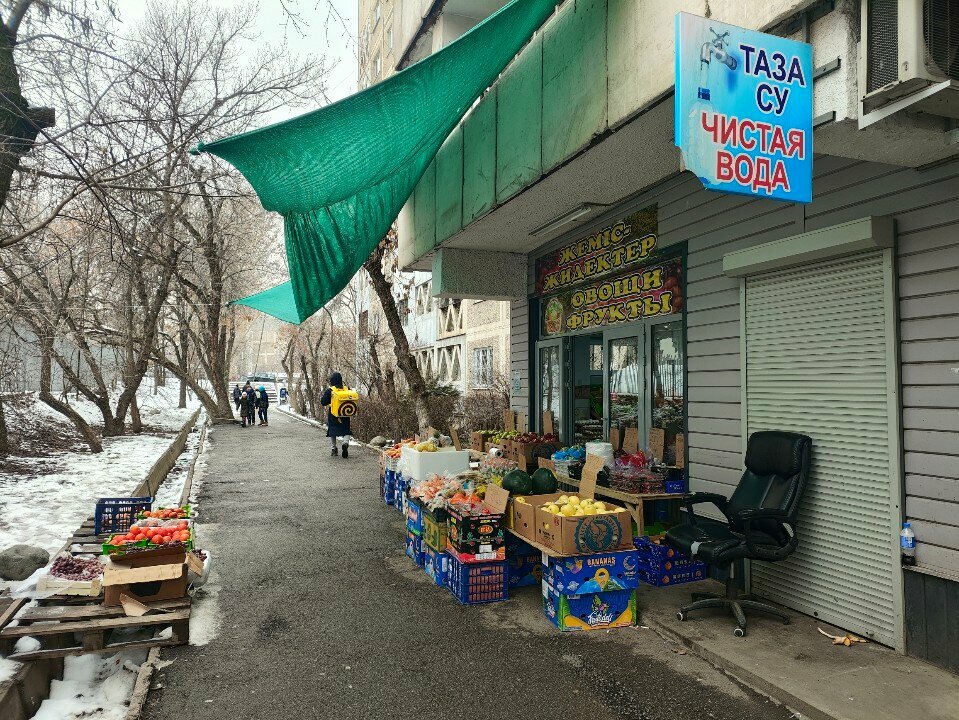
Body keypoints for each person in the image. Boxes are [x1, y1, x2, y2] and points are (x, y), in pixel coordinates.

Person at [320, 372, 350, 458]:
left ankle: (334, 448)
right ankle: (345, 443)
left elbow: (323, 402)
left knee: (332, 430)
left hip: (333, 414)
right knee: (346, 429)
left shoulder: (330, 390)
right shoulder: (346, 388)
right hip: (345, 413)